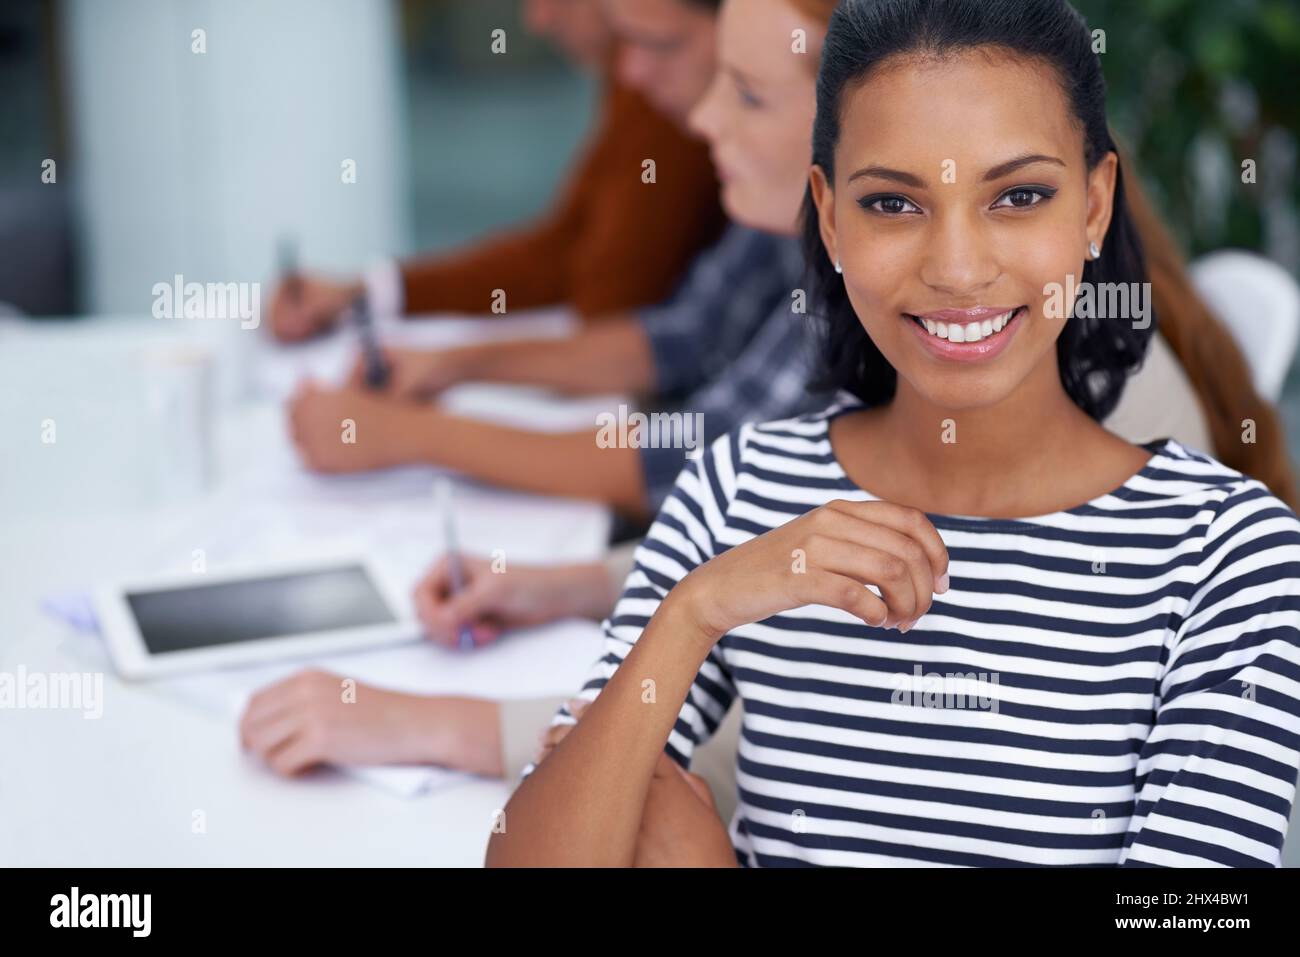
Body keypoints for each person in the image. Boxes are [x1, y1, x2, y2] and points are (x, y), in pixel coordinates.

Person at [488, 0, 1300, 868]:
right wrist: (694, 611)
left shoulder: (1230, 554)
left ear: (1095, 206)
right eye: (893, 204)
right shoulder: (736, 490)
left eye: (1018, 195)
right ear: (830, 218)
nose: (957, 269)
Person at [267, 0, 724, 342]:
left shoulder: (665, 80)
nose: (537, 19)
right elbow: (566, 248)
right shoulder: (639, 74)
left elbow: (608, 297)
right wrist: (370, 292)